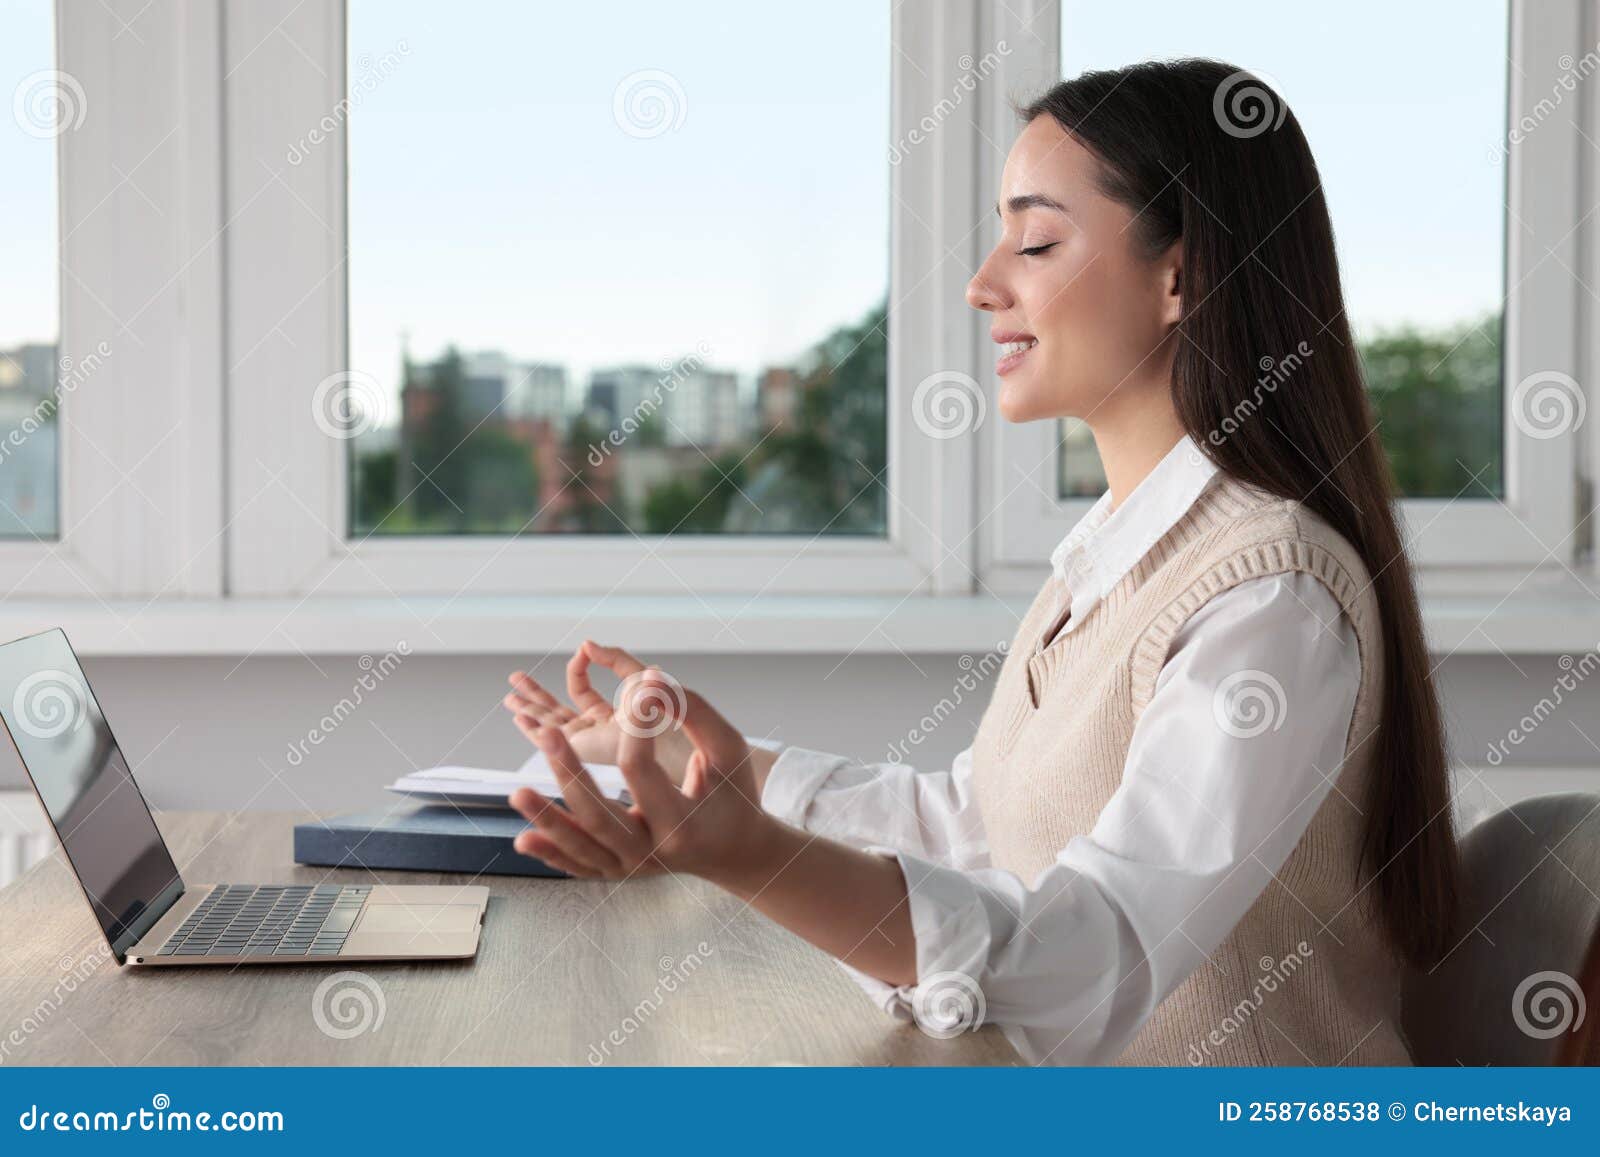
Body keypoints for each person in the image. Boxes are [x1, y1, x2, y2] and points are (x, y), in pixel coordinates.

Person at [498, 58, 1461, 1066]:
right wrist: (726, 777)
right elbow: (980, 822)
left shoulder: (1268, 597)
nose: (981, 283)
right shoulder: (1113, 562)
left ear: (1179, 276)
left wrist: (758, 857)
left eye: (1035, 241)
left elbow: (1094, 956)